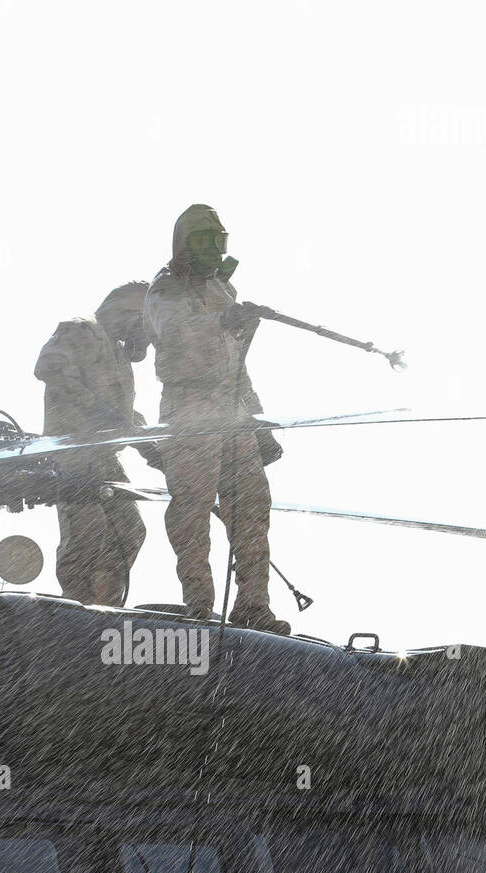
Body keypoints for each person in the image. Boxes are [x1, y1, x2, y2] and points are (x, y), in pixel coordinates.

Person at [144, 205, 289, 634]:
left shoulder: (221, 290)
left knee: (251, 508)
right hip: (189, 411)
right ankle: (199, 607)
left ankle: (253, 606)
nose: (215, 250)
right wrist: (222, 320)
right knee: (192, 509)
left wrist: (256, 417)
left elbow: (237, 362)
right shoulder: (164, 290)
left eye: (219, 242)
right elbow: (175, 332)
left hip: (233, 414)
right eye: (207, 241)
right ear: (187, 244)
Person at [34, 282, 153, 607]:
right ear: (129, 313)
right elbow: (49, 367)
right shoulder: (82, 329)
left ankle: (105, 606)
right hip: (73, 454)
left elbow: (121, 412)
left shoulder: (115, 350)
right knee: (86, 534)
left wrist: (149, 446)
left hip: (101, 456)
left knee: (128, 529)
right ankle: (76, 611)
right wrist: (97, 410)